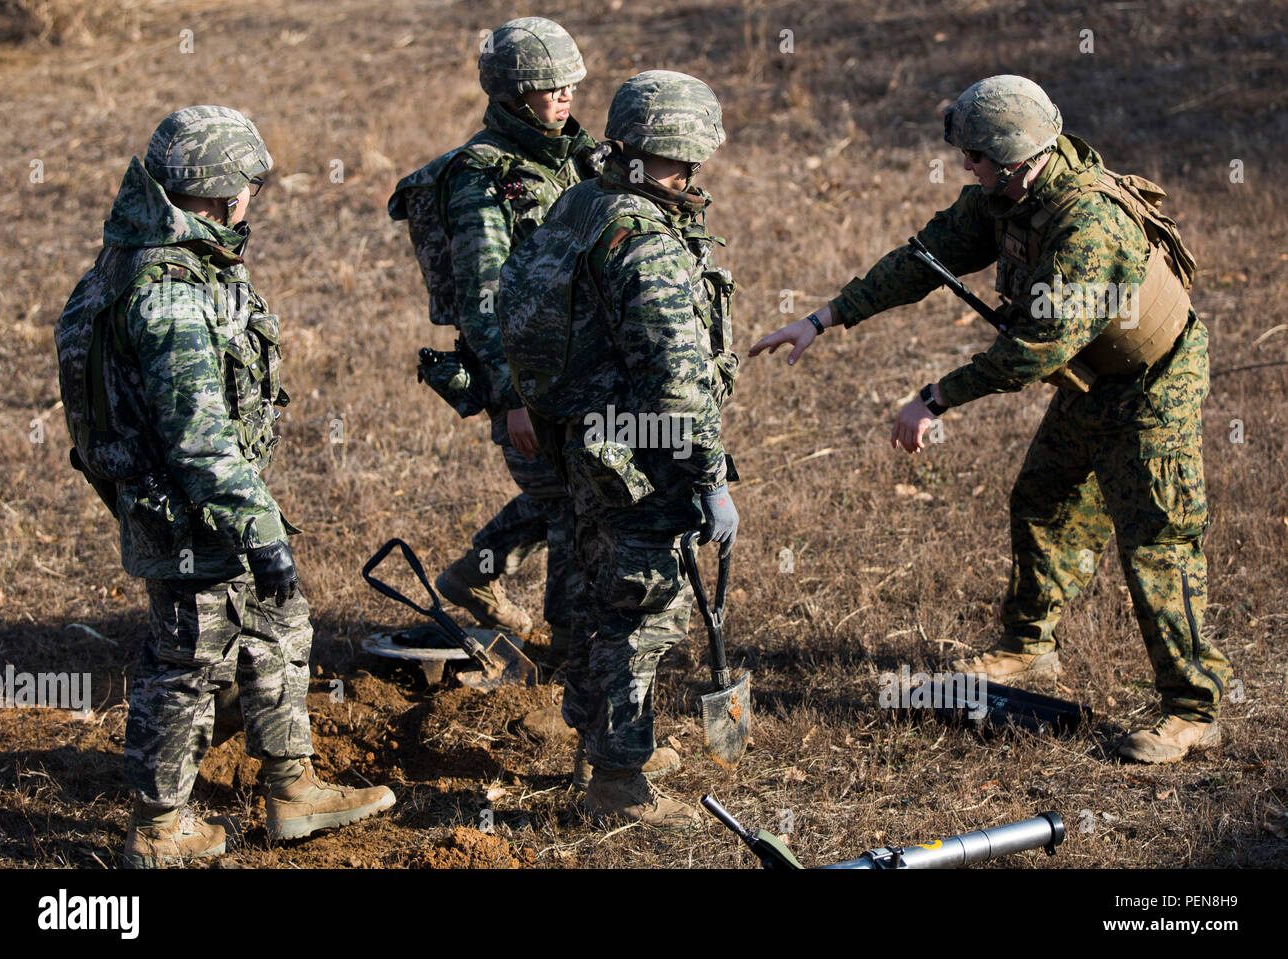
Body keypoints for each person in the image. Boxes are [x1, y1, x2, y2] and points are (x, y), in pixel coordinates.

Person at [749, 75, 1229, 764]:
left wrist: (933, 399)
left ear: (1011, 156)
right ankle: (1028, 646)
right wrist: (825, 318)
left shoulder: (1088, 228)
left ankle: (1193, 708)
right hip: (1092, 379)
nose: (965, 166)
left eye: (973, 156)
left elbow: (1035, 349)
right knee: (1043, 502)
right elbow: (924, 259)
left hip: (1152, 388)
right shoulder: (1007, 197)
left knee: (1157, 541)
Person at [56, 106, 395, 868]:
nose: (254, 199)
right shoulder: (169, 294)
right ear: (221, 190)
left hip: (213, 503)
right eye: (250, 185)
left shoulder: (167, 255)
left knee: (277, 622)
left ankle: (292, 786)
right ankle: (158, 826)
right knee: (188, 660)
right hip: (188, 512)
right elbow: (199, 442)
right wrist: (261, 529)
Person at [499, 70, 739, 827]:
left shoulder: (582, 202)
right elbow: (677, 386)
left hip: (583, 444)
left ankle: (596, 741)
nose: (694, 172)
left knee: (592, 591)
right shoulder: (646, 240)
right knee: (642, 611)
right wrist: (710, 478)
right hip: (643, 454)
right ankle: (619, 782)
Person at [388, 17, 598, 671]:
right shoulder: (481, 178)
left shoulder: (573, 158)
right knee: (573, 509)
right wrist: (513, 397)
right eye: (548, 85)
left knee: (567, 492)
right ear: (512, 93)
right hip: (530, 379)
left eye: (569, 82)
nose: (564, 94)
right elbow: (483, 299)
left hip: (578, 370)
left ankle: (471, 578)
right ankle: (570, 660)